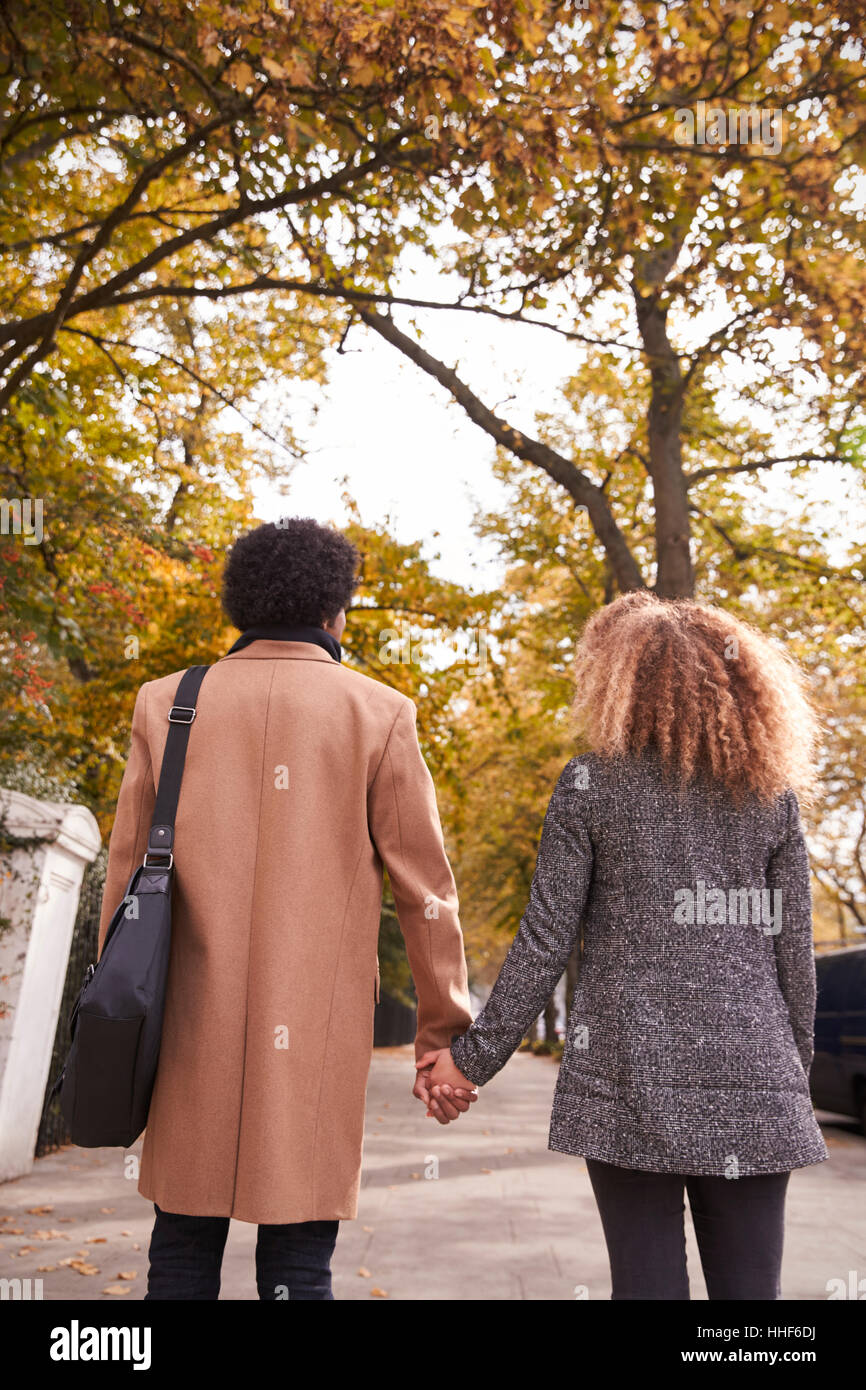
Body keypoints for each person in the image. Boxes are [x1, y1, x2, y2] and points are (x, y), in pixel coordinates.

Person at [98, 517, 476, 1300]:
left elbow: (125, 875)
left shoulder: (164, 703)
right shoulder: (379, 713)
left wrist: (115, 1013)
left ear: (241, 605)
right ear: (336, 610)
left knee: (180, 1250)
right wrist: (442, 1034)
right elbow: (427, 894)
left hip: (182, 1023)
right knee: (301, 1264)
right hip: (313, 1032)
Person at [419, 590, 828, 1301]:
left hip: (627, 1078)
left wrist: (468, 1063)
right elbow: (794, 953)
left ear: (618, 683)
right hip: (756, 1076)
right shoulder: (772, 797)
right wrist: (790, 1075)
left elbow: (544, 942)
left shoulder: (589, 785)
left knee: (645, 1289)